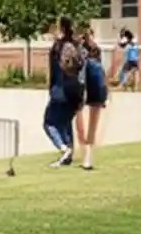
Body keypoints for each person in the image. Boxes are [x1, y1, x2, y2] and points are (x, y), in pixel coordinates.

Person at [43, 17, 85, 168]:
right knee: (66, 122)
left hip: (61, 90)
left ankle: (64, 148)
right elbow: (80, 64)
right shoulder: (75, 46)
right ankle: (69, 155)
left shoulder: (59, 47)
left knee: (49, 123)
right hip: (76, 90)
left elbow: (56, 68)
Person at [76, 25, 108, 171]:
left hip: (81, 89)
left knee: (79, 124)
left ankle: (83, 154)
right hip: (97, 90)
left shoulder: (77, 51)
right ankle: (88, 157)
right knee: (92, 127)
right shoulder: (96, 50)